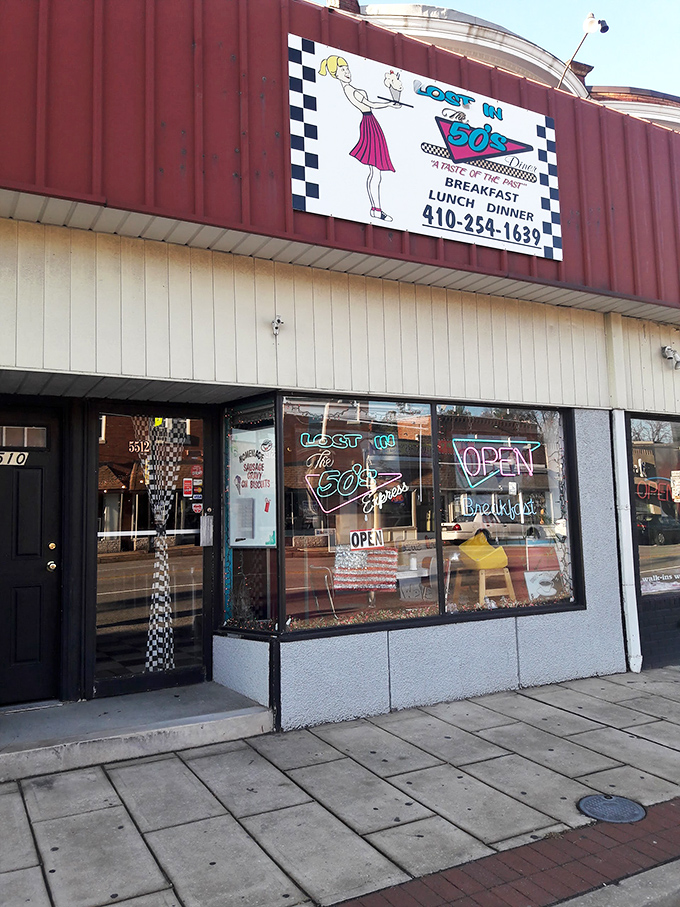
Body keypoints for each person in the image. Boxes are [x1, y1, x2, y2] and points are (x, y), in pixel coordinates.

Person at [319, 55, 399, 222]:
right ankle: (376, 209)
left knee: (374, 171)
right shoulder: (349, 89)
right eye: (342, 69)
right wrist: (389, 104)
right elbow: (371, 104)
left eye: (347, 68)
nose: (347, 72)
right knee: (375, 171)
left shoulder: (350, 87)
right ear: (335, 73)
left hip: (370, 123)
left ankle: (376, 209)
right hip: (369, 123)